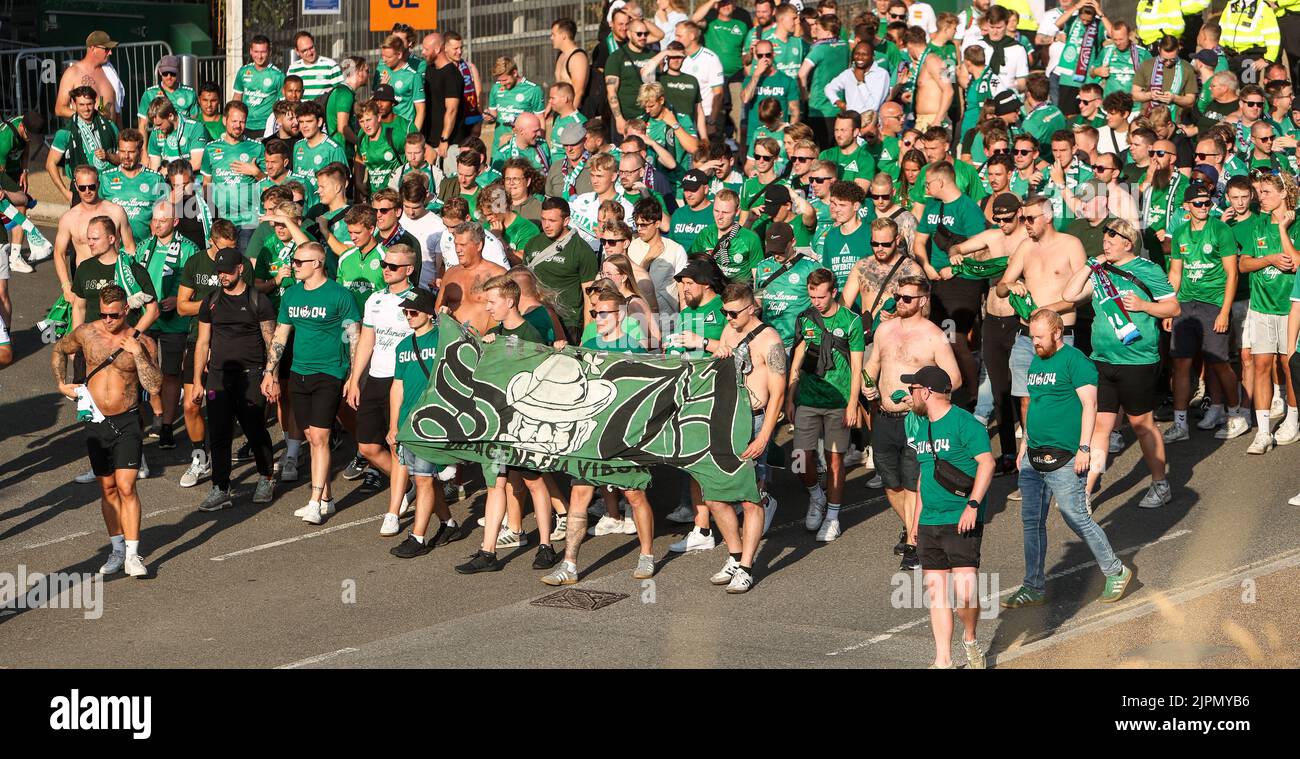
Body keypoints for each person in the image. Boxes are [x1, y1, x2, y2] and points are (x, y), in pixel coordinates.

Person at [1003, 308, 1133, 611]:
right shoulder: (1037, 360)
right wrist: (1024, 443)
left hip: (1065, 456)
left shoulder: (1077, 363)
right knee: (1031, 522)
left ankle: (1116, 570)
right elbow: (1034, 404)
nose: (1034, 342)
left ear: (1058, 332)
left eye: (1039, 336)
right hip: (1034, 455)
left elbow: (1091, 406)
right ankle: (1033, 586)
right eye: (1032, 336)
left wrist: (1084, 449)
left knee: (1076, 517)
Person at [1062, 218, 1179, 508]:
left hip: (1137, 360)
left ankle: (1160, 483)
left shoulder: (1147, 270)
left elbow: (1173, 306)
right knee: (1100, 427)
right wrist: (1090, 265)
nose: (1105, 245)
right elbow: (1069, 295)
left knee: (1142, 425)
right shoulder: (1100, 271)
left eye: (1111, 241)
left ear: (1128, 243)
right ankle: (1086, 492)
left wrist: (1144, 306)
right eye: (1104, 240)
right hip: (1102, 360)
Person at [456, 276, 568, 574]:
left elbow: (543, 376)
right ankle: (487, 551)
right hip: (499, 422)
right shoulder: (494, 333)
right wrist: (486, 346)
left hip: (526, 422)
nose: (488, 307)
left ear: (510, 301)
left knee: (534, 480)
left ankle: (546, 545)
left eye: (493, 302)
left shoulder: (530, 334)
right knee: (497, 484)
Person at [52, 284, 161, 577]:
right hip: (96, 421)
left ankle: (134, 556)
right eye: (103, 314)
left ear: (126, 310)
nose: (108, 319)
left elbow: (154, 386)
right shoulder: (88, 333)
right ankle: (117, 549)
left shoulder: (144, 342)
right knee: (108, 488)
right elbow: (60, 348)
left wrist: (138, 354)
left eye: (114, 314)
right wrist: (62, 383)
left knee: (127, 486)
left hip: (127, 421)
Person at [864, 275, 962, 568]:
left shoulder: (934, 335)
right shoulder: (884, 329)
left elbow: (953, 379)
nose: (900, 302)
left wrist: (922, 399)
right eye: (897, 296)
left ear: (922, 301)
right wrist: (866, 384)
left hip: (915, 419)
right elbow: (872, 366)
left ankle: (913, 545)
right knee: (890, 483)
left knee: (911, 484)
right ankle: (911, 526)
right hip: (884, 417)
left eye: (907, 298)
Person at [899, 364, 992, 669]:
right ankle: (943, 660)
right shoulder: (921, 425)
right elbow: (925, 478)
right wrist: (914, 523)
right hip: (929, 523)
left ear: (926, 392)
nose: (910, 395)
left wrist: (973, 506)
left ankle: (970, 636)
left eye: (913, 389)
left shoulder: (965, 423)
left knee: (965, 594)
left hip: (960, 517)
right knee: (938, 595)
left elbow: (987, 464)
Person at [263, 241, 360, 524]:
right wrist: (270, 370)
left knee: (319, 437)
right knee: (309, 436)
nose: (293, 266)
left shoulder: (340, 295)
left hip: (329, 372)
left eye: (299, 262)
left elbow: (353, 335)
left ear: (317, 263)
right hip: (298, 373)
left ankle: (315, 501)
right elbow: (281, 335)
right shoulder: (292, 295)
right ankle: (327, 498)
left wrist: (353, 376)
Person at [697, 282, 785, 592]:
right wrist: (716, 349)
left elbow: (778, 394)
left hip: (754, 419)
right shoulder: (729, 328)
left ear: (751, 309)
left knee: (750, 498)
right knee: (714, 496)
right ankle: (734, 556)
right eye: (725, 311)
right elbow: (724, 367)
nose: (729, 317)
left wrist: (765, 437)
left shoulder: (771, 340)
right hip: (726, 418)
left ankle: (747, 565)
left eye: (734, 312)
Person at [190, 247, 277, 511]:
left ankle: (266, 476)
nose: (223, 276)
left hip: (251, 376)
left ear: (240, 268)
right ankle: (221, 487)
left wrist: (270, 374)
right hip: (218, 377)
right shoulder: (212, 300)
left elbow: (271, 340)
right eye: (219, 272)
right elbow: (203, 342)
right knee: (218, 432)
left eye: (228, 271)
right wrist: (197, 381)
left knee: (254, 429)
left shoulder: (257, 300)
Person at [787, 268, 864, 543]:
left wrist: (853, 403)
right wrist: (789, 397)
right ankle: (816, 496)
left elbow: (857, 368)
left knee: (834, 459)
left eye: (821, 296)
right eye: (812, 296)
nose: (816, 302)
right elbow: (797, 357)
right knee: (800, 457)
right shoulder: (805, 318)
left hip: (838, 400)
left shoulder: (851, 321)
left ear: (834, 292)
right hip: (807, 397)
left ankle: (832, 517)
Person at [1166, 183, 1248, 443]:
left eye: (1207, 203)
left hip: (1213, 304)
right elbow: (1176, 272)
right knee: (1180, 363)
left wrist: (1224, 312)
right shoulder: (1180, 232)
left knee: (1219, 362)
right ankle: (1180, 424)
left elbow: (1232, 273)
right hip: (1185, 305)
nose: (1204, 207)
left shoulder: (1221, 230)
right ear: (1187, 207)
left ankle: (1235, 415)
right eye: (1198, 203)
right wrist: (1169, 305)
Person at [345, 243, 418, 534]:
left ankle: (393, 509)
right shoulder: (374, 299)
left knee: (396, 444)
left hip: (403, 381)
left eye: (393, 267)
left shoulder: (418, 300)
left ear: (409, 270)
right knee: (368, 446)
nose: (386, 270)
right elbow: (366, 341)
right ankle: (411, 485)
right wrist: (354, 378)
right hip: (376, 378)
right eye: (385, 265)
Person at [388, 287, 463, 556]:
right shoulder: (403, 345)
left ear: (429, 313)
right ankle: (449, 523)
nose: (408, 316)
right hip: (408, 423)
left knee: (422, 480)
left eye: (413, 311)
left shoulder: (443, 338)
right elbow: (397, 387)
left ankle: (417, 538)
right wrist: (393, 425)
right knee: (426, 480)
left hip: (434, 422)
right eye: (405, 312)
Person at [1237, 173, 1300, 452]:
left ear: (1283, 193)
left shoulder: (1297, 222)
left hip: (1289, 308)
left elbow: (1296, 264)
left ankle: (1292, 421)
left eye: (1265, 192)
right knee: (1261, 364)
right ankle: (1262, 431)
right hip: (1261, 306)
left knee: (1288, 366)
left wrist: (1284, 230)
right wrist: (1269, 260)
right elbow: (1243, 264)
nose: (1259, 196)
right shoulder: (1258, 223)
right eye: (1259, 192)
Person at [135, 200, 200, 450]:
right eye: (154, 220)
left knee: (171, 374)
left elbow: (197, 282)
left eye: (163, 221)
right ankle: (154, 413)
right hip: (147, 316)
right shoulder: (143, 247)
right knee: (146, 371)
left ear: (175, 222)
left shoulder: (189, 248)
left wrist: (180, 299)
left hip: (176, 322)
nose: (156, 225)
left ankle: (166, 426)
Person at [201, 102, 266, 250]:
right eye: (234, 121)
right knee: (224, 265)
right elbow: (206, 185)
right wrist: (213, 217)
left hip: (249, 220)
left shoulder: (256, 147)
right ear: (225, 121)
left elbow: (268, 184)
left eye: (242, 121)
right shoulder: (211, 149)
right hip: (222, 222)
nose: (238, 125)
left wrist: (256, 173)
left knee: (245, 264)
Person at [437, 221, 509, 335]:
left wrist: (487, 342)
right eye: (456, 244)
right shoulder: (450, 274)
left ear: (479, 245)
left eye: (463, 245)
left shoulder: (497, 274)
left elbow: (502, 313)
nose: (457, 249)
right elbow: (438, 309)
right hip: (452, 343)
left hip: (484, 344)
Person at [100, 129, 164, 244]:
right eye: (122, 151)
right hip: (114, 248)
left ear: (140, 151)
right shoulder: (105, 178)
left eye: (131, 152)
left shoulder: (155, 179)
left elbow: (165, 215)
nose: (126, 156)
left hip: (145, 246)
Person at [688, 189, 762, 283]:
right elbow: (693, 266)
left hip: (739, 293)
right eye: (716, 211)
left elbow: (758, 276)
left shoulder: (750, 238)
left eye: (725, 212)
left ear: (737, 211)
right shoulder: (705, 234)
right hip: (712, 292)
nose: (719, 217)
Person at [800, 14, 850, 148]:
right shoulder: (845, 46)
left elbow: (802, 73)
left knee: (819, 149)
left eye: (819, 29)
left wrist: (805, 96)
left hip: (819, 107)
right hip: (840, 106)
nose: (815, 32)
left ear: (828, 32)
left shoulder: (819, 49)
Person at [55, 32, 122, 123]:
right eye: (106, 49)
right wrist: (89, 118)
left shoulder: (109, 72)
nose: (110, 52)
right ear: (93, 49)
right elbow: (60, 109)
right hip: (85, 135)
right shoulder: (73, 73)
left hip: (110, 135)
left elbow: (117, 110)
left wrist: (121, 135)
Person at [232, 35, 285, 135]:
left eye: (263, 52)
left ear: (270, 52)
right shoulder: (243, 71)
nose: (259, 56)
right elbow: (237, 97)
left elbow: (283, 104)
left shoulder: (278, 75)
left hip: (267, 127)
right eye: (256, 52)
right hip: (244, 125)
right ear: (251, 51)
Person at [825, 40, 891, 118]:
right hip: (850, 120)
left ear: (873, 56)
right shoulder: (849, 73)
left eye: (864, 54)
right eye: (857, 54)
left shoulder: (881, 74)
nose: (860, 57)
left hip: (869, 122)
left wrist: (861, 82)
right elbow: (829, 88)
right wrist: (839, 103)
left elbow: (873, 107)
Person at [287, 31, 343, 101]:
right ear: (297, 52)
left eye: (311, 48)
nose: (309, 53)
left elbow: (342, 94)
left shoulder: (330, 65)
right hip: (300, 111)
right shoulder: (293, 69)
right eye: (304, 50)